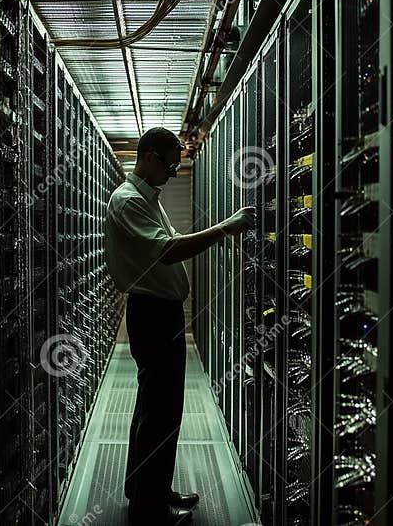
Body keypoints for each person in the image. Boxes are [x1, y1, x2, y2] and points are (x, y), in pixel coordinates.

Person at [103, 127, 255, 525]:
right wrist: (225, 228)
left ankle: (145, 488)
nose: (173, 173)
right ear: (149, 157)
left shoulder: (148, 198)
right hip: (152, 315)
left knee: (152, 408)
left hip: (159, 313)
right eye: (170, 164)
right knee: (162, 412)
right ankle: (149, 509)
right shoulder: (129, 200)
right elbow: (168, 251)